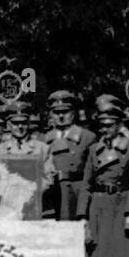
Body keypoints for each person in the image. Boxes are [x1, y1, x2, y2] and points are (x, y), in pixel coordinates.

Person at [77, 99, 129, 257]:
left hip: (121, 205)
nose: (106, 130)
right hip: (98, 206)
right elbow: (86, 184)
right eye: (102, 125)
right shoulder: (94, 149)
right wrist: (82, 216)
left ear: (119, 125)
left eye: (110, 125)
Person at [43, 89, 95, 220]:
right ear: (50, 114)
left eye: (65, 112)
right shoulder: (43, 140)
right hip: (52, 194)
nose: (61, 116)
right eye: (56, 112)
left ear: (73, 113)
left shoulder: (87, 137)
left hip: (77, 193)